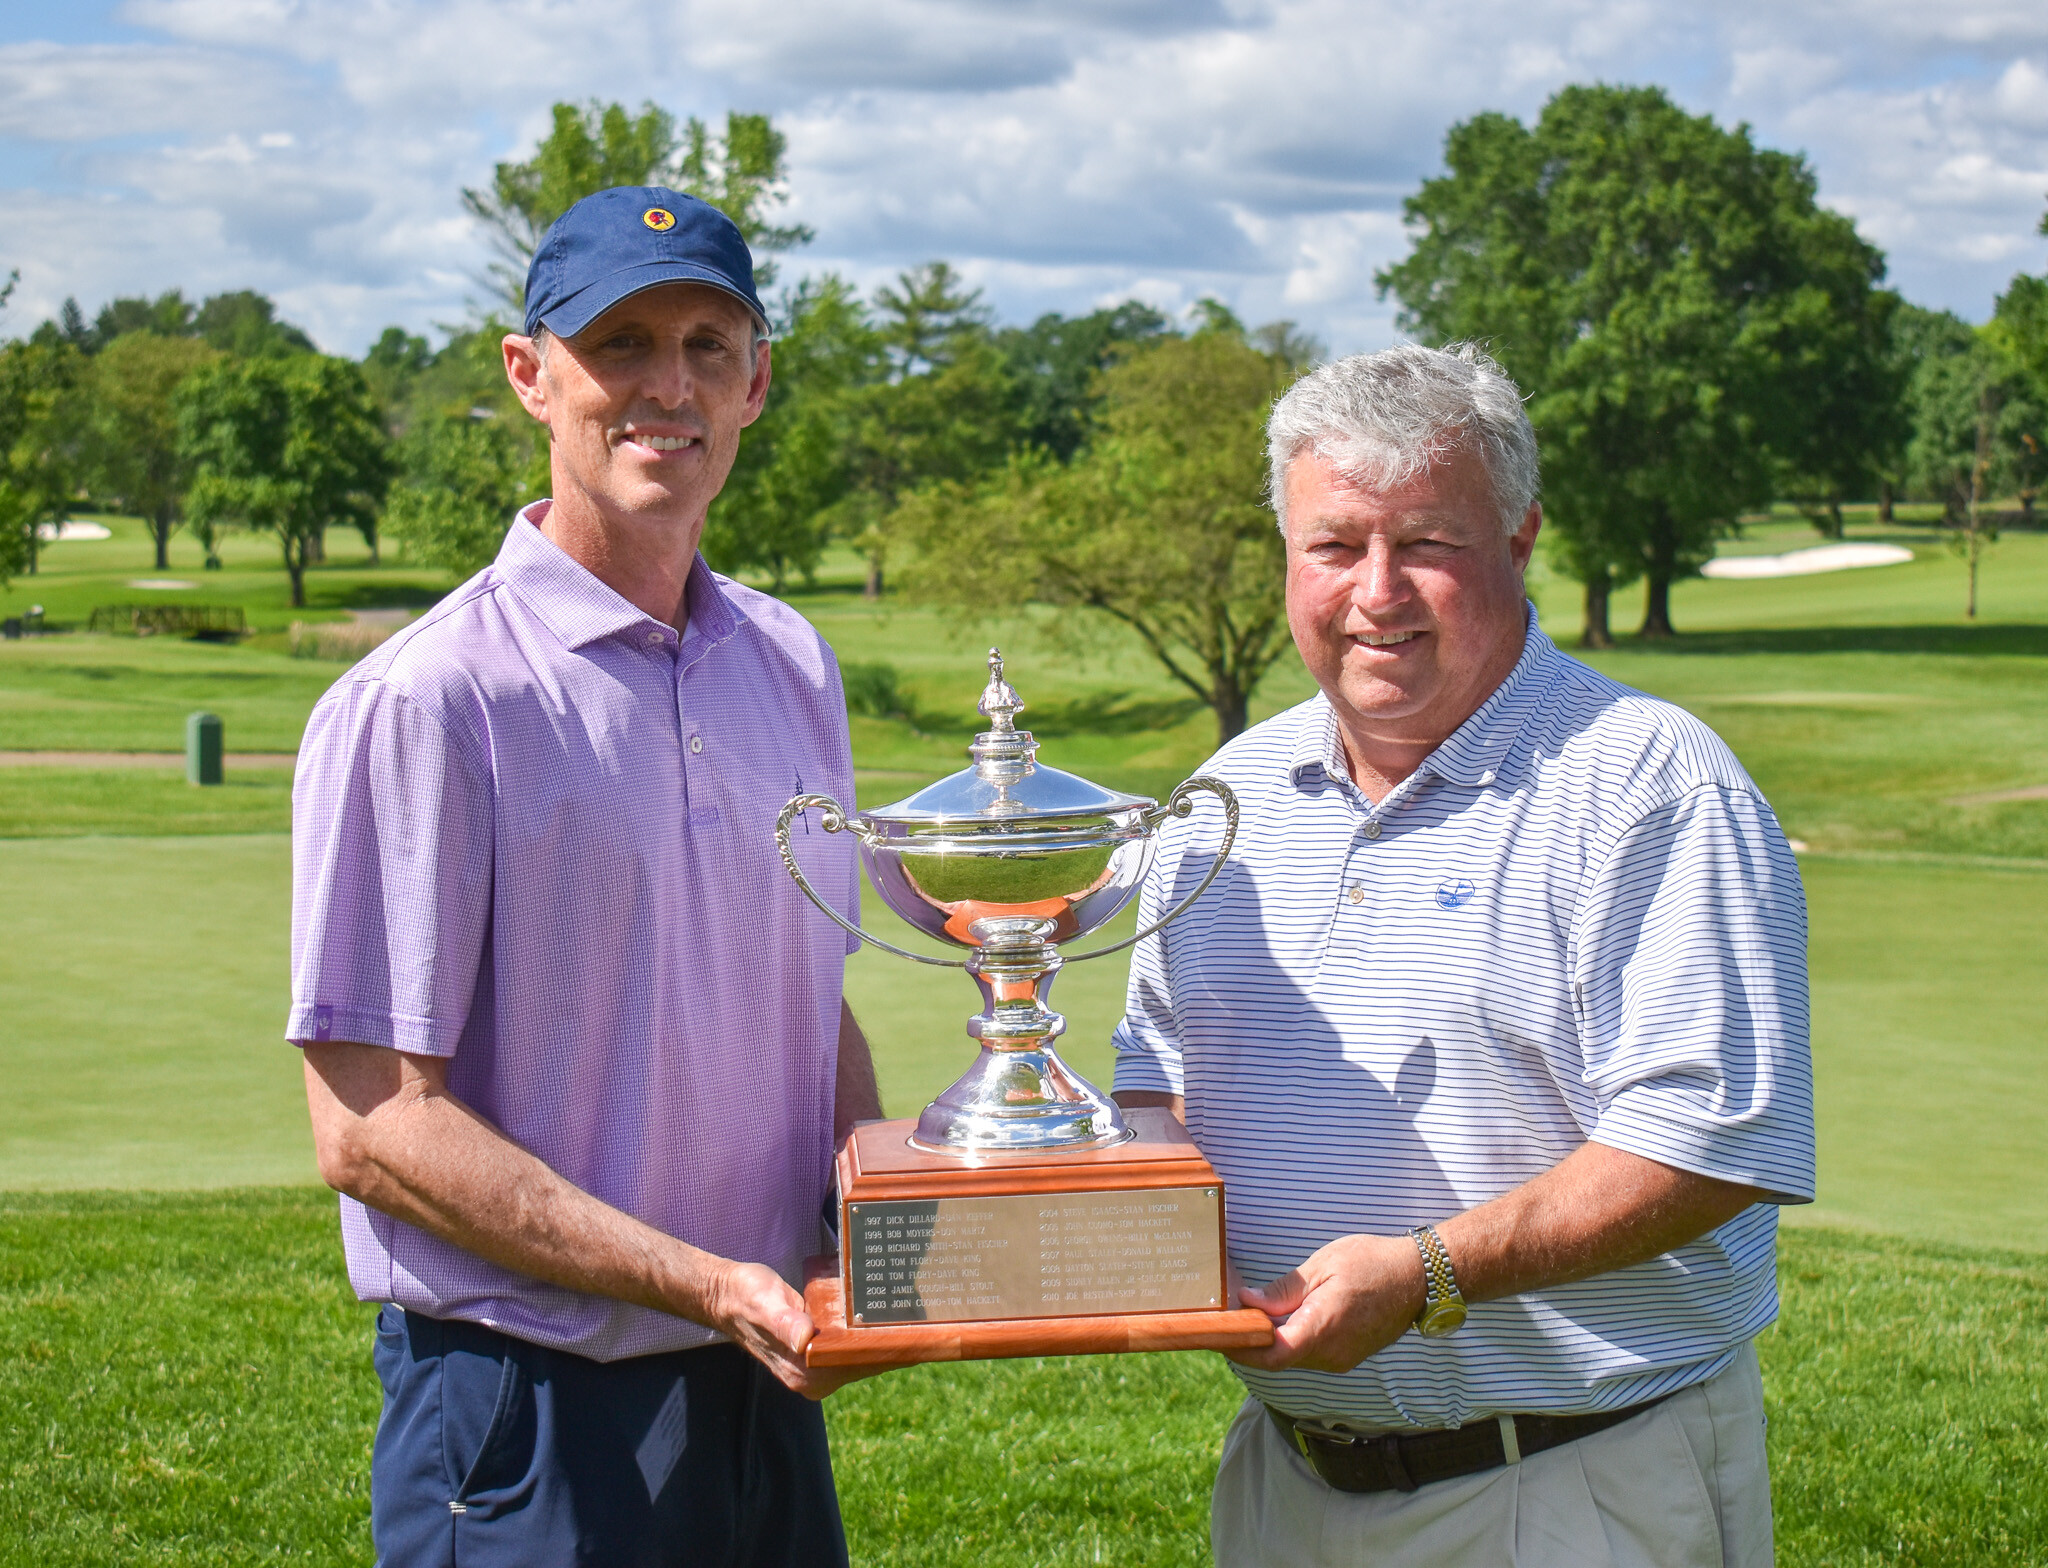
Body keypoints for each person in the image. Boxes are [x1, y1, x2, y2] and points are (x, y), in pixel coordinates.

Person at [1112, 344, 1813, 1567]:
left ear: (1519, 538)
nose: (1375, 590)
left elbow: (1709, 1145)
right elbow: (1152, 1077)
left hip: (1573, 1483)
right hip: (1286, 1478)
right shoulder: (1226, 796)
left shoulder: (1647, 781)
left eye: (1426, 541)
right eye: (1334, 544)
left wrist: (1427, 1274)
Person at [288, 186, 880, 1566]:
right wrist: (703, 1281)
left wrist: (877, 1235)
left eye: (706, 345)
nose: (666, 386)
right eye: (619, 344)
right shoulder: (429, 698)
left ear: (755, 382)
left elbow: (813, 1005)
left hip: (763, 1384)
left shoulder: (792, 661)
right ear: (529, 374)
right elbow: (370, 1125)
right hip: (531, 1412)